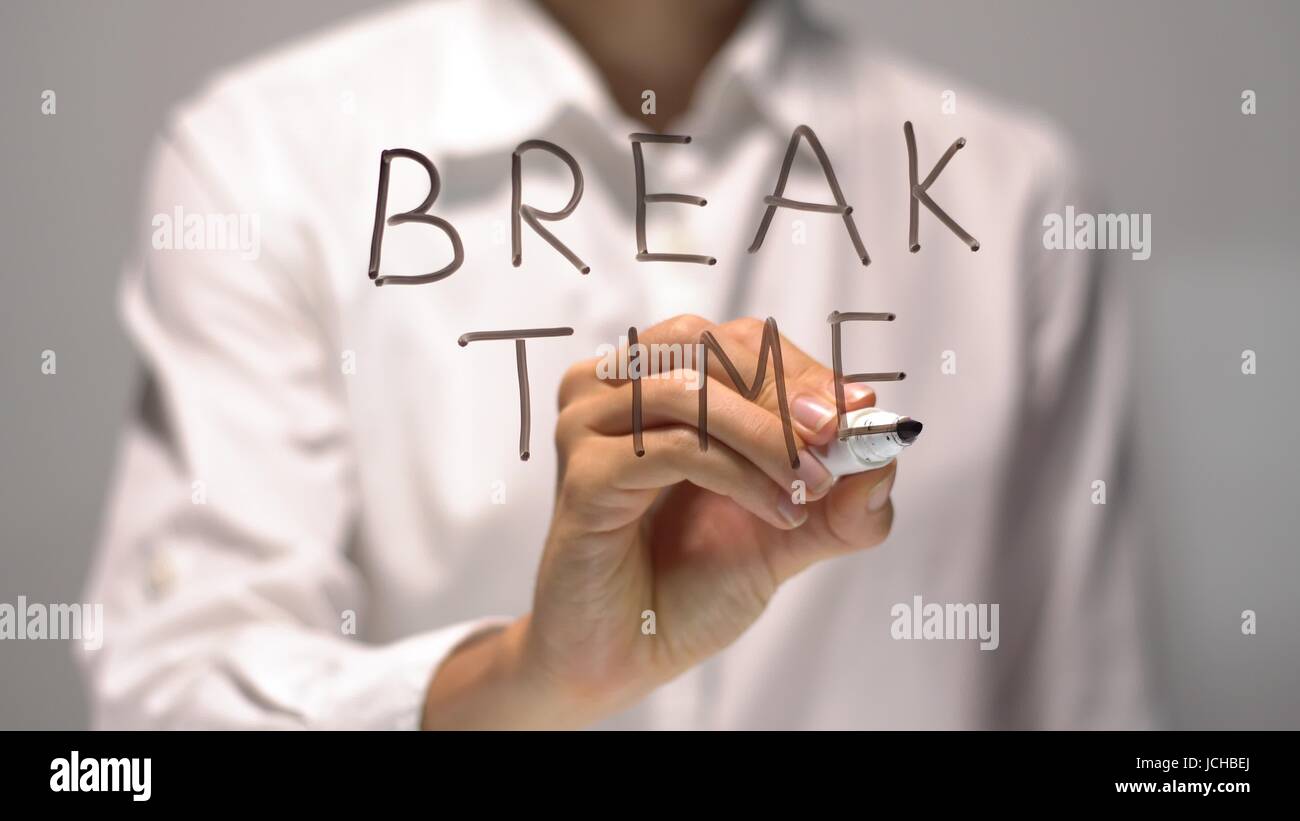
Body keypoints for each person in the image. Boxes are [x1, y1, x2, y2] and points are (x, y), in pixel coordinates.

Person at [82, 0, 1154, 729]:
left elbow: (1088, 706)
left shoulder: (1015, 196)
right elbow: (153, 717)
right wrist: (526, 680)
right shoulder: (268, 157)